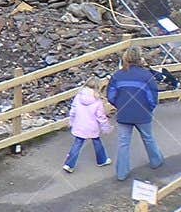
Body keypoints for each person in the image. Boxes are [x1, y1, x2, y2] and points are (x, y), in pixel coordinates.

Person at [108, 49, 167, 181]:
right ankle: (156, 161)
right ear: (139, 59)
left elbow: (111, 96)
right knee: (148, 138)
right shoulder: (146, 76)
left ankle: (122, 173)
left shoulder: (117, 75)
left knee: (123, 143)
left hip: (124, 113)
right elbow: (152, 98)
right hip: (143, 113)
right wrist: (148, 109)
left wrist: (120, 105)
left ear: (125, 59)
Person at [63, 85, 111, 172]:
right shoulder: (97, 101)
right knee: (97, 142)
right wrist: (106, 128)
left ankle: (69, 164)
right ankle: (102, 160)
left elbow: (73, 111)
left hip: (79, 125)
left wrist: (71, 121)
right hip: (92, 127)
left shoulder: (78, 97)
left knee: (77, 144)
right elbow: (101, 117)